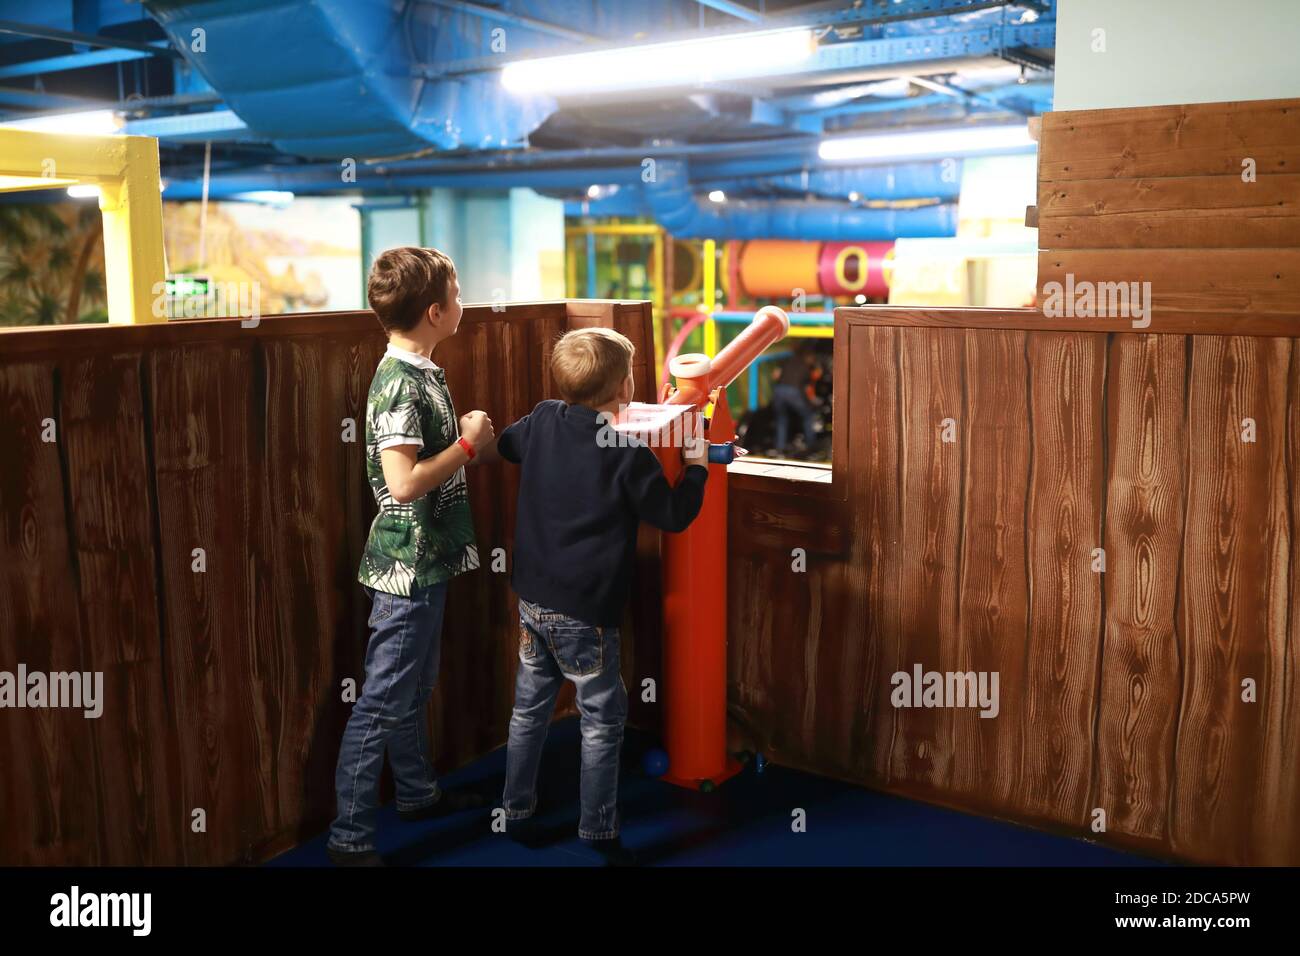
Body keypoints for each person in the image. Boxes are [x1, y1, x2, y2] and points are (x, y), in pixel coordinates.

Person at [495, 327, 709, 866]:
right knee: (601, 719)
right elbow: (674, 516)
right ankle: (598, 831)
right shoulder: (628, 455)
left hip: (532, 600)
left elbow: (505, 445)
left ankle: (514, 813)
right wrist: (700, 466)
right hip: (586, 612)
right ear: (626, 385)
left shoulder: (542, 418)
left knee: (528, 710)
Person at [327, 247, 493, 866]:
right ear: (435, 310)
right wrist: (470, 447)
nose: (464, 302)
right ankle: (347, 839)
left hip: (427, 561)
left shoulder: (421, 368)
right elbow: (401, 483)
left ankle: (418, 795)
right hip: (407, 567)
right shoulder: (400, 380)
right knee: (381, 702)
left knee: (412, 687)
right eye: (458, 292)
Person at [771, 341, 818, 455]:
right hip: (793, 392)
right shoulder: (806, 368)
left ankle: (780, 447)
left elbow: (775, 375)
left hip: (779, 390)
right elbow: (808, 389)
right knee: (807, 416)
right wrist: (812, 402)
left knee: (782, 419)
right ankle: (811, 446)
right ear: (808, 357)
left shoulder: (787, 360)